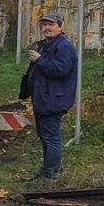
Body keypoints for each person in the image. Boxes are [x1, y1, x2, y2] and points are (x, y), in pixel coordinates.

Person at [21, 12, 78, 180]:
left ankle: (51, 173)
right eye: (44, 25)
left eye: (51, 25)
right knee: (45, 136)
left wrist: (40, 60)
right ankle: (48, 170)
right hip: (44, 98)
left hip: (54, 98)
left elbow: (61, 70)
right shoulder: (48, 45)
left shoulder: (63, 46)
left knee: (52, 137)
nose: (46, 28)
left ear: (60, 27)